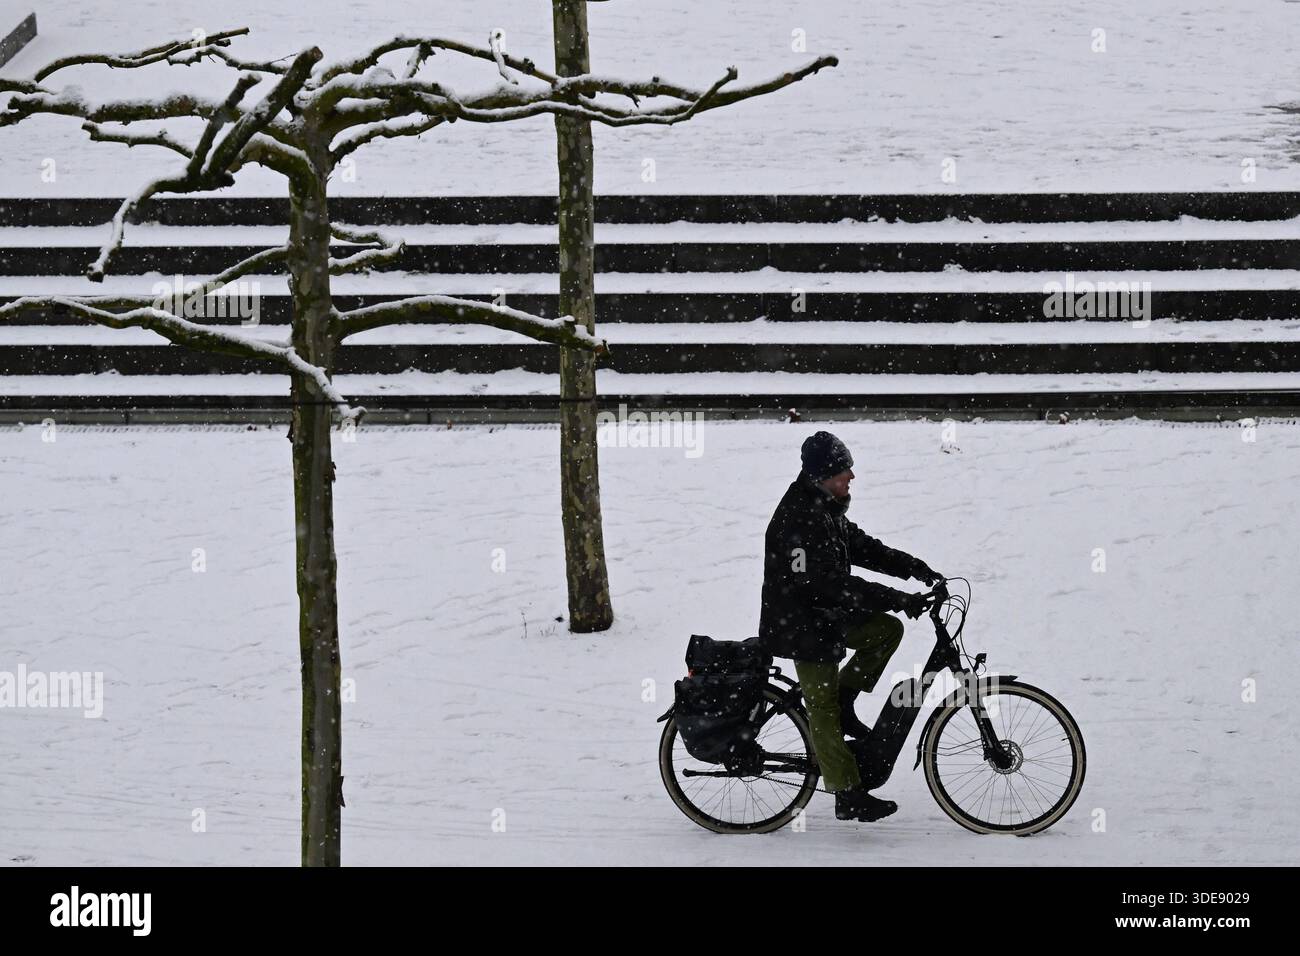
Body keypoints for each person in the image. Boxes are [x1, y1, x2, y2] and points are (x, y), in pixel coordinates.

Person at [758, 431, 943, 823]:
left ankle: (845, 698)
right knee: (820, 709)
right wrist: (895, 598)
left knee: (885, 632)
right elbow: (825, 584)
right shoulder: (798, 518)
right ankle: (846, 792)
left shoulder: (825, 507)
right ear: (823, 475)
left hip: (824, 615)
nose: (852, 477)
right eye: (844, 471)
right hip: (801, 624)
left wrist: (911, 567)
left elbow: (859, 545)